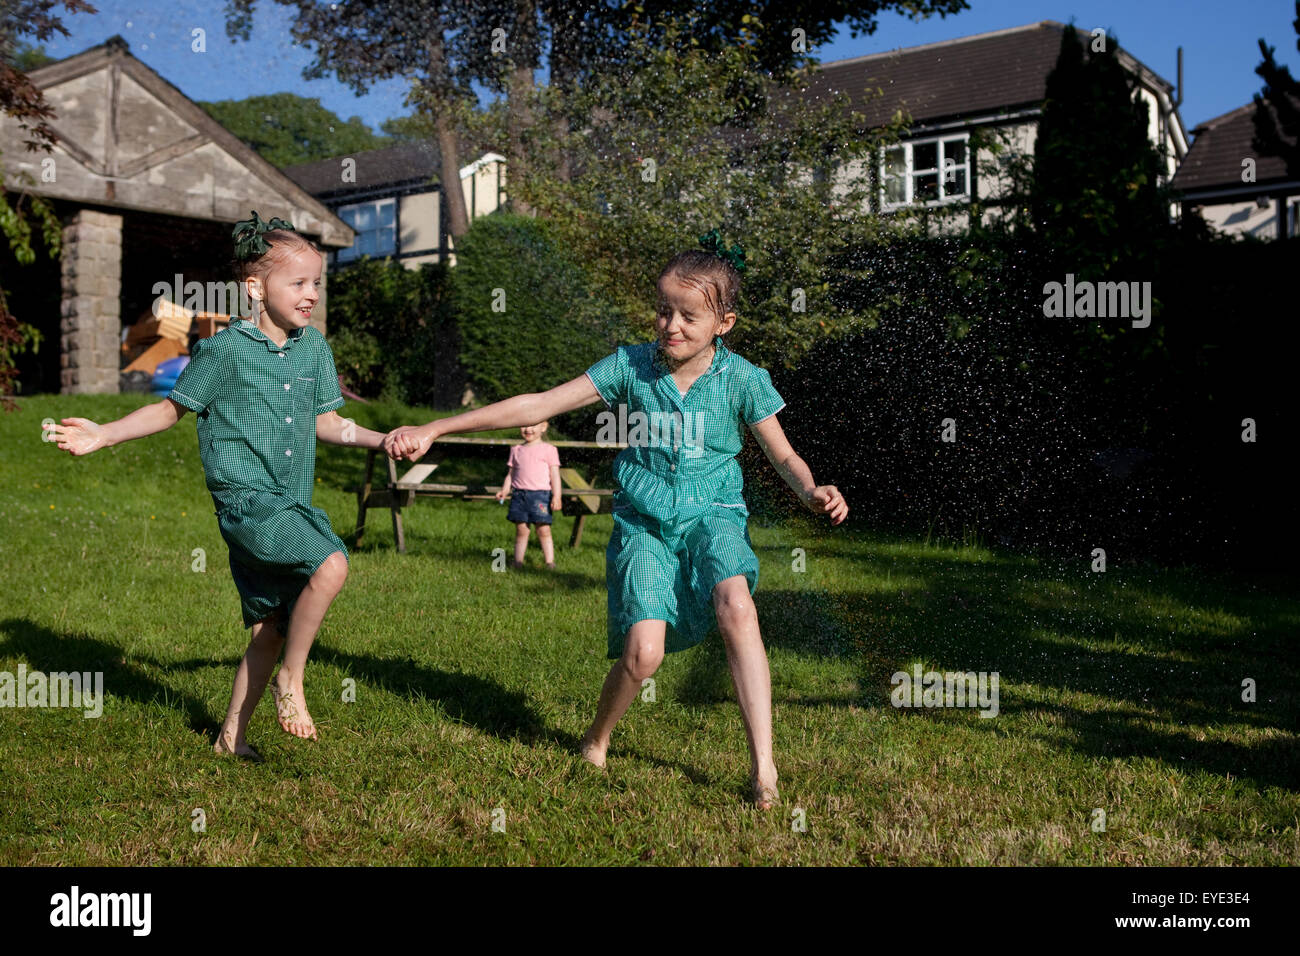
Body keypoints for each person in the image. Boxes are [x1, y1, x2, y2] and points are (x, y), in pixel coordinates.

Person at [385, 232, 848, 808]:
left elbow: (781, 454)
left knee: (737, 607)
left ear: (723, 324)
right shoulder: (630, 366)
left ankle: (765, 771)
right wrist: (438, 428)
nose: (670, 326)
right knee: (643, 654)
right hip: (645, 522)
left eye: (688, 316)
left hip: (714, 514)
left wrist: (810, 489)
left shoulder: (744, 379)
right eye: (663, 311)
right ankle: (597, 740)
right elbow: (540, 404)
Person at [47, 212, 393, 759]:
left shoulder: (314, 350)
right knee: (332, 564)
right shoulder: (224, 351)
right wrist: (105, 434)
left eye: (317, 285)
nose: (311, 295)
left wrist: (384, 439)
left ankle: (231, 738)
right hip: (246, 503)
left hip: (290, 501)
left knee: (269, 628)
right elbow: (169, 411)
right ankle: (292, 681)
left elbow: (330, 423)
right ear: (255, 288)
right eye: (298, 284)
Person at [496, 421, 563, 569]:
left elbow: (555, 475)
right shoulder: (516, 449)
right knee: (521, 530)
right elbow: (511, 474)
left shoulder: (549, 449)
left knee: (543, 529)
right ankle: (518, 561)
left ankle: (549, 562)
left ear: (543, 427)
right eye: (524, 425)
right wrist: (505, 490)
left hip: (541, 496)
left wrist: (557, 496)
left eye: (533, 425)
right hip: (519, 496)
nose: (528, 429)